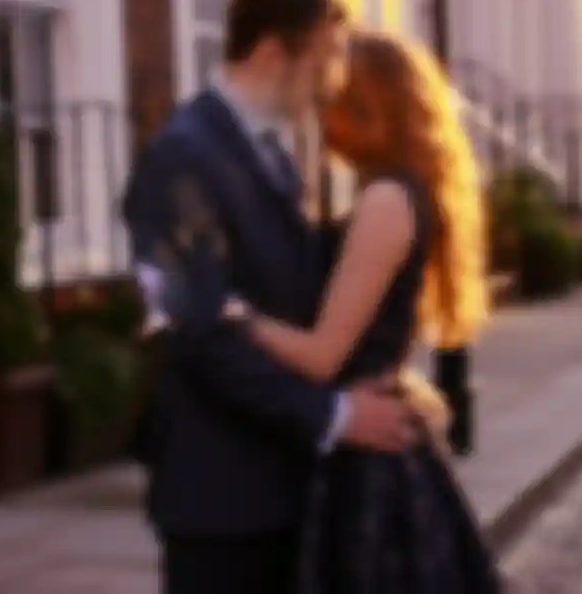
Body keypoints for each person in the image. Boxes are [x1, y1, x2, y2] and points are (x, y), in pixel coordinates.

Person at [122, 0, 421, 594]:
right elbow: (201, 336)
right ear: (270, 54)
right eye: (325, 57)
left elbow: (285, 301)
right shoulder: (183, 157)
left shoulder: (274, 153)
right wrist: (334, 414)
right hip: (220, 497)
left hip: (283, 483)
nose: (334, 79)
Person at [177, 33, 502, 593]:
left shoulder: (386, 202)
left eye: (326, 99)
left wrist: (229, 313)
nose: (315, 115)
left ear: (365, 106)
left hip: (362, 465)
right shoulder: (389, 194)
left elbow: (323, 354)